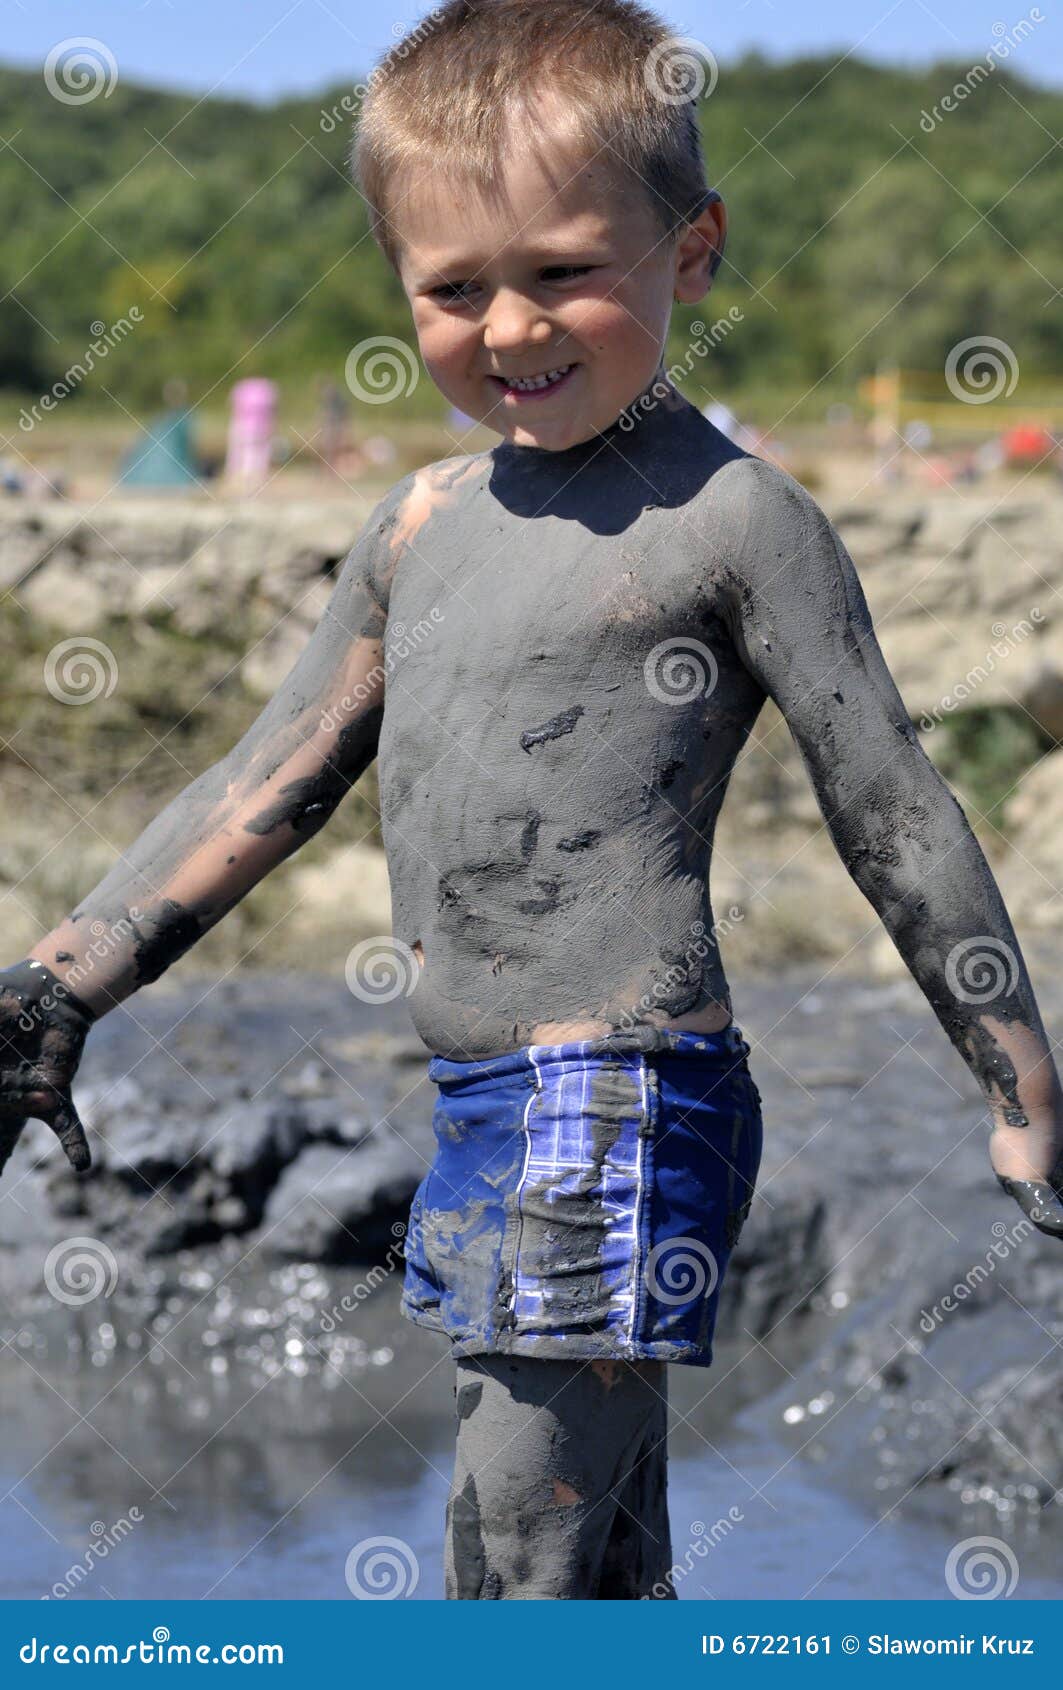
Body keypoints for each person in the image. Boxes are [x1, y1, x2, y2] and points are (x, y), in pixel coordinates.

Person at [1, 0, 1061, 1601]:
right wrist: (62, 981)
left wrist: (1017, 1081)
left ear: (689, 251)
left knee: (516, 1540)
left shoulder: (729, 517)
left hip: (618, 1097)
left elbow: (893, 803)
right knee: (594, 1550)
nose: (510, 326)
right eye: (453, 289)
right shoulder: (420, 524)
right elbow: (265, 776)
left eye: (565, 270)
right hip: (484, 1103)